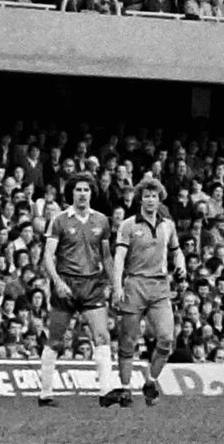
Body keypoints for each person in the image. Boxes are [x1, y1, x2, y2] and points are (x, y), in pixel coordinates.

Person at [37, 172, 118, 408]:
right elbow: (48, 256)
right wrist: (57, 282)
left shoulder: (102, 221)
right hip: (67, 284)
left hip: (92, 284)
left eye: (86, 190)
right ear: (71, 193)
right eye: (78, 190)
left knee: (101, 335)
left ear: (91, 193)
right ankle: (45, 393)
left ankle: (105, 392)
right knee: (56, 339)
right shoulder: (60, 220)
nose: (83, 194)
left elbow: (106, 256)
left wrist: (114, 284)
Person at [108, 177, 185, 406]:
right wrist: (117, 286)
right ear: (140, 199)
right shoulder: (129, 225)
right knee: (128, 339)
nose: (150, 200)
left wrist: (180, 265)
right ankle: (124, 388)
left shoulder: (167, 225)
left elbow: (177, 251)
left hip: (160, 287)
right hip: (135, 284)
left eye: (154, 196)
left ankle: (150, 381)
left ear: (159, 198)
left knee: (166, 338)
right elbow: (119, 257)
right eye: (146, 196)